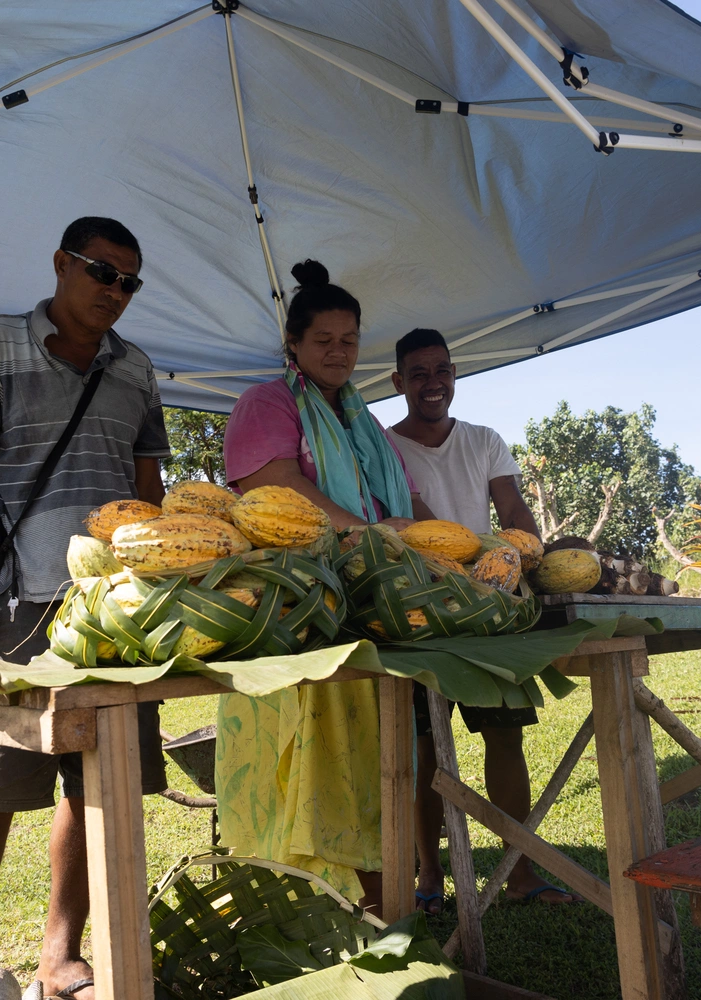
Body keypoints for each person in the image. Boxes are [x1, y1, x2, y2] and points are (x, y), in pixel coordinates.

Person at [0, 217, 171, 1000]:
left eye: (130, 282)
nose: (116, 292)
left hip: (118, 611)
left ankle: (59, 957)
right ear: (63, 262)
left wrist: (164, 585)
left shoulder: (135, 369)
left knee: (100, 785)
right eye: (103, 272)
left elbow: (149, 489)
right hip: (18, 605)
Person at [215, 260, 434, 914]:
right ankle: (317, 910)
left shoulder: (364, 421)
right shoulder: (268, 403)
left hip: (370, 613)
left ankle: (378, 911)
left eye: (348, 340)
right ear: (295, 345)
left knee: (373, 769)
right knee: (313, 770)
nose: (338, 352)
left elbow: (411, 508)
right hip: (299, 615)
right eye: (323, 341)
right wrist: (376, 535)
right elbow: (279, 494)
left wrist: (448, 552)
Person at [385, 327, 577, 911]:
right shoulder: (387, 447)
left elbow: (513, 507)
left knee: (504, 735)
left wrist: (529, 554)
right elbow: (415, 519)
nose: (432, 384)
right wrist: (461, 567)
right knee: (421, 749)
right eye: (418, 374)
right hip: (418, 609)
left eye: (441, 371)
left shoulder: (484, 440)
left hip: (493, 610)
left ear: (453, 375)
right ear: (398, 382)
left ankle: (519, 872)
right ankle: (428, 877)